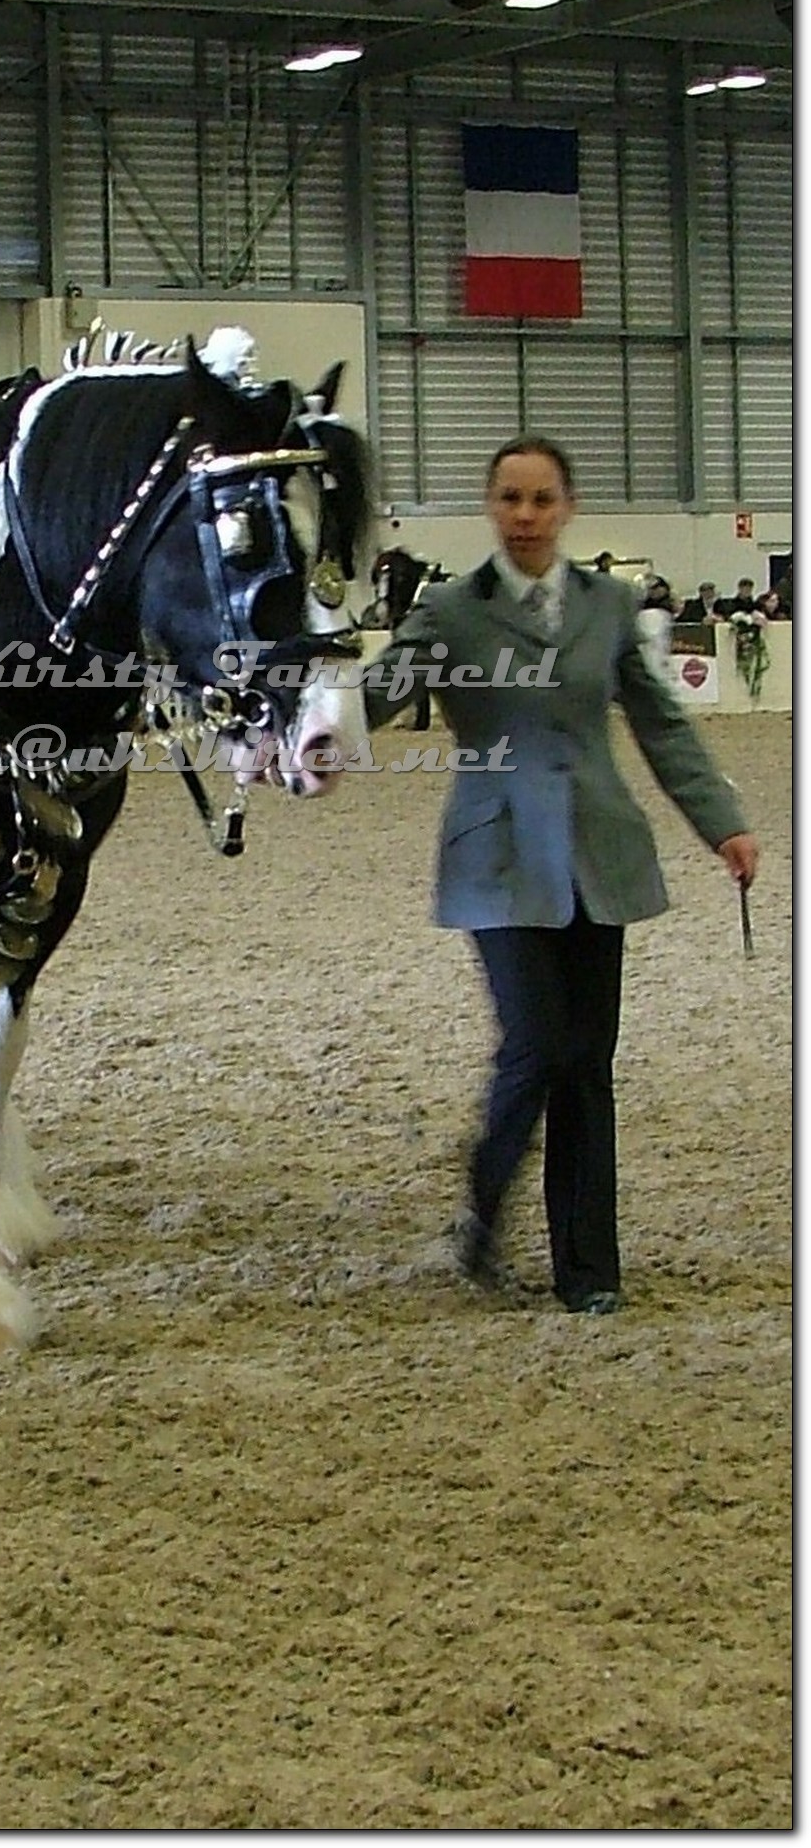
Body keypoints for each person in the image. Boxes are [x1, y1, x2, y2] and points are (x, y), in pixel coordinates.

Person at [364, 434, 757, 1316]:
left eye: (542, 500)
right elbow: (383, 690)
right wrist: (316, 719)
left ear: (568, 507)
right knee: (537, 1045)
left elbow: (662, 726)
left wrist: (722, 824)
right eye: (510, 498)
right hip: (497, 856)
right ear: (490, 507)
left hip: (597, 854)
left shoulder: (612, 606)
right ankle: (486, 1202)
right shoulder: (451, 610)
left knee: (587, 1065)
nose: (527, 516)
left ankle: (590, 1272)